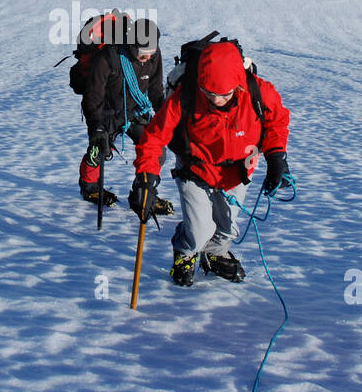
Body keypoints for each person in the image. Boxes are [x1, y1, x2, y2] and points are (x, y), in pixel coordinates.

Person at [129, 37, 291, 286]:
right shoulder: (187, 95)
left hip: (237, 173)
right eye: (209, 93)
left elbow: (277, 121)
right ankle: (185, 252)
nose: (215, 100)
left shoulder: (259, 91)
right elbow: (153, 137)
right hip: (195, 170)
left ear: (237, 85)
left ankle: (214, 255)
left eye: (223, 94)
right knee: (199, 231)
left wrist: (276, 156)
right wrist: (146, 178)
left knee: (228, 229)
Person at [78, 16, 173, 215]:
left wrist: (166, 117)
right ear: (131, 45)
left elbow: (155, 90)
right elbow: (92, 97)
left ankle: (143, 193)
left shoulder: (154, 55)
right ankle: (90, 188)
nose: (147, 57)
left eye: (151, 52)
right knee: (99, 151)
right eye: (142, 53)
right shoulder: (108, 57)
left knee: (155, 151)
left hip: (135, 111)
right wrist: (96, 127)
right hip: (105, 113)